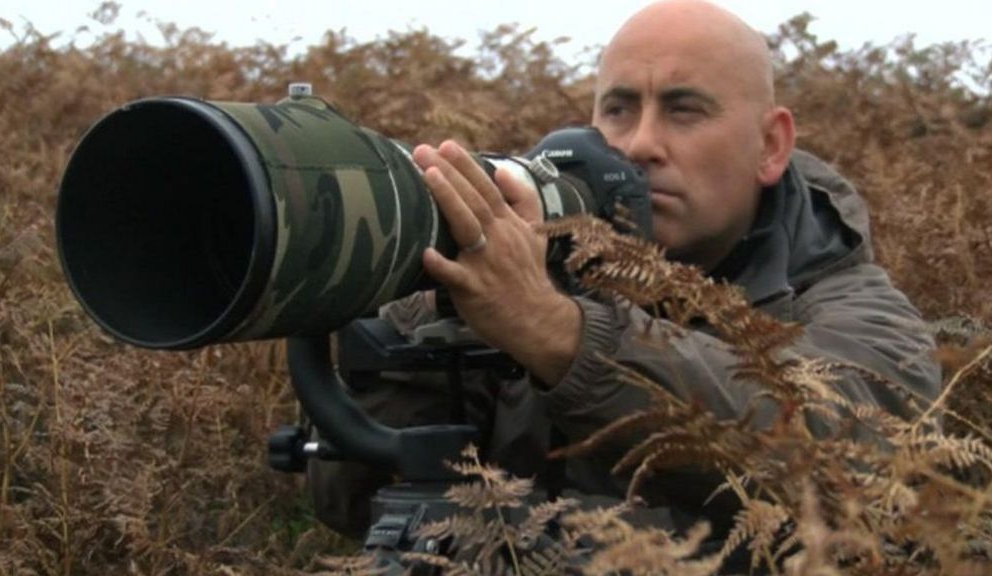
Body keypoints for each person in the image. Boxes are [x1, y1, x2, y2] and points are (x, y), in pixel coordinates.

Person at [309, 0, 942, 555]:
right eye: (618, 110)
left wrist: (557, 334)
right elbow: (351, 501)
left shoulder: (862, 316)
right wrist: (438, 301)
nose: (640, 144)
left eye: (684, 110)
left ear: (770, 146)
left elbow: (840, 468)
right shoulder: (539, 268)